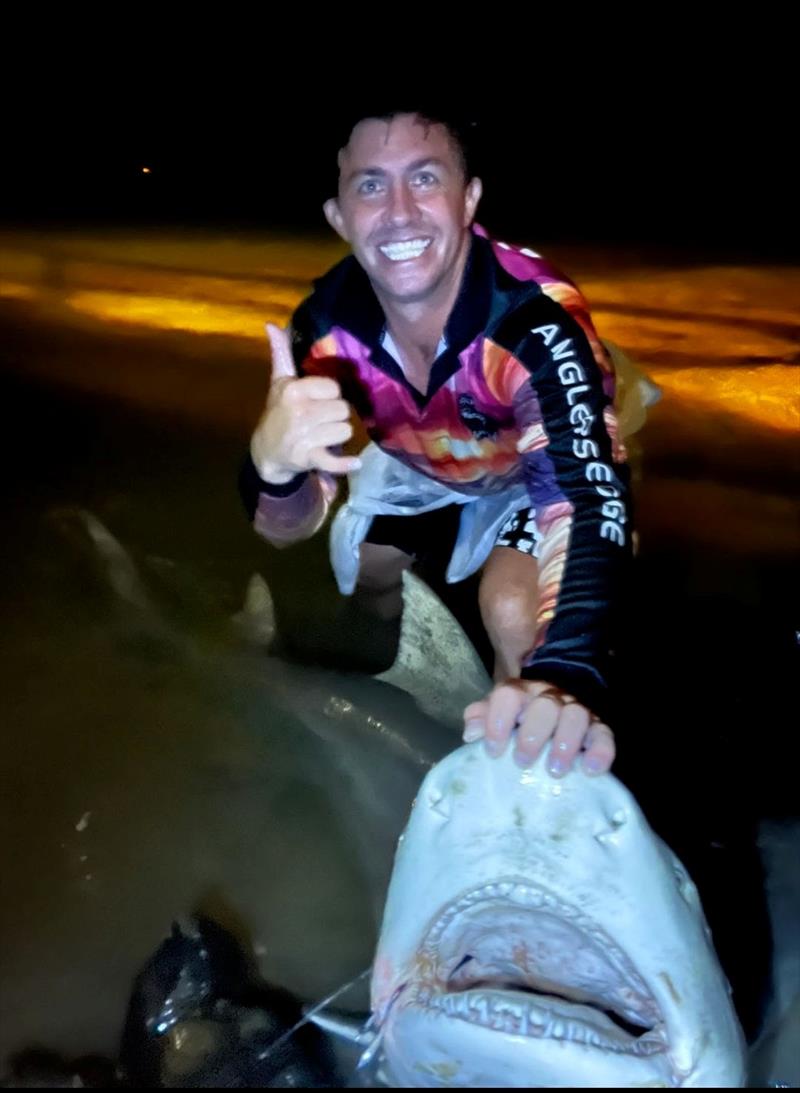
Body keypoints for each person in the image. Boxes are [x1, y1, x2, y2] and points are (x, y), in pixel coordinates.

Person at [240, 107, 633, 778]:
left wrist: (566, 675)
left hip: (526, 470)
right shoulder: (325, 330)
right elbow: (287, 526)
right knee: (366, 564)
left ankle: (527, 775)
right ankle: (382, 658)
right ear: (339, 216)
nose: (398, 211)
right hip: (422, 457)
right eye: (370, 185)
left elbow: (584, 500)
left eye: (425, 178)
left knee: (513, 612)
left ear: (469, 199)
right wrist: (270, 467)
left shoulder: (534, 321)